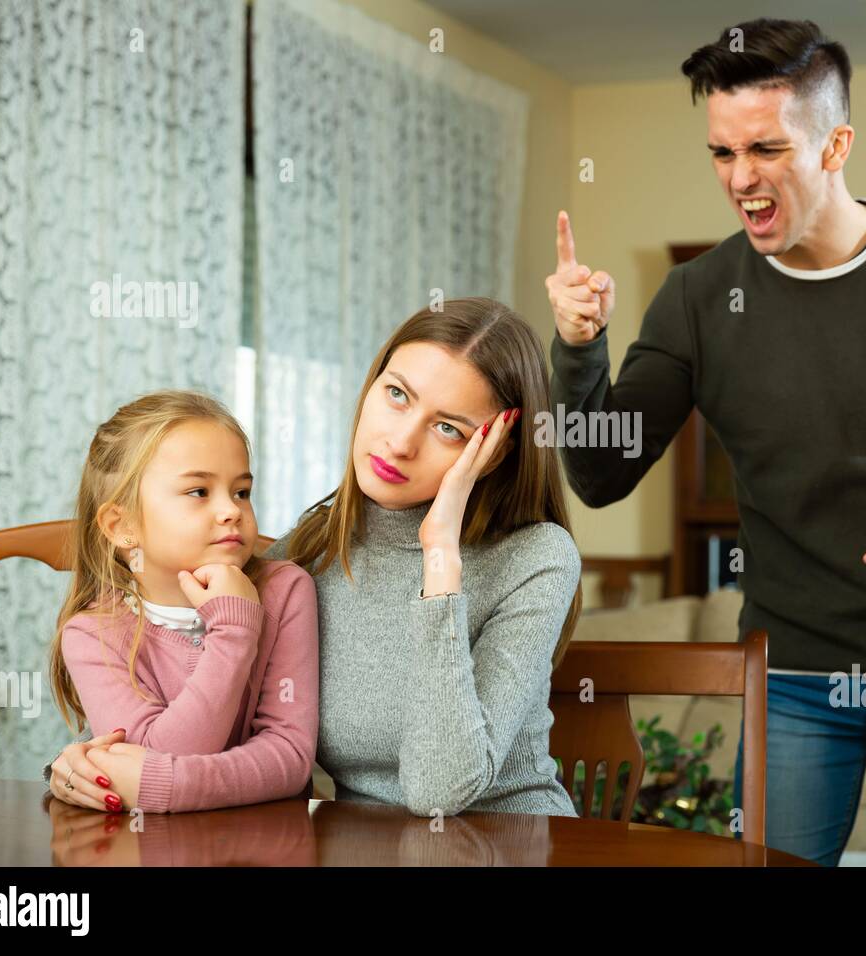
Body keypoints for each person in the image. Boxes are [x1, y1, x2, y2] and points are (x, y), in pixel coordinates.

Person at [545, 18, 866, 865]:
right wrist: (578, 347)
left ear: (835, 144)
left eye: (766, 149)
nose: (741, 178)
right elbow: (599, 473)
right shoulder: (697, 300)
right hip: (793, 676)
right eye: (720, 153)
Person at [263, 297, 582, 817]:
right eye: (396, 395)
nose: (400, 442)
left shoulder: (536, 557)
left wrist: (440, 557)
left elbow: (441, 790)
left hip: (507, 845)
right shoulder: (308, 553)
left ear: (494, 451)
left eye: (448, 428)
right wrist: (104, 757)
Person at [43, 390, 319, 813]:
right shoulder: (91, 634)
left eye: (242, 491)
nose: (231, 510)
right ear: (123, 526)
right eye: (198, 491)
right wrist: (234, 631)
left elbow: (289, 757)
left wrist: (168, 786)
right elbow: (164, 751)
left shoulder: (285, 591)